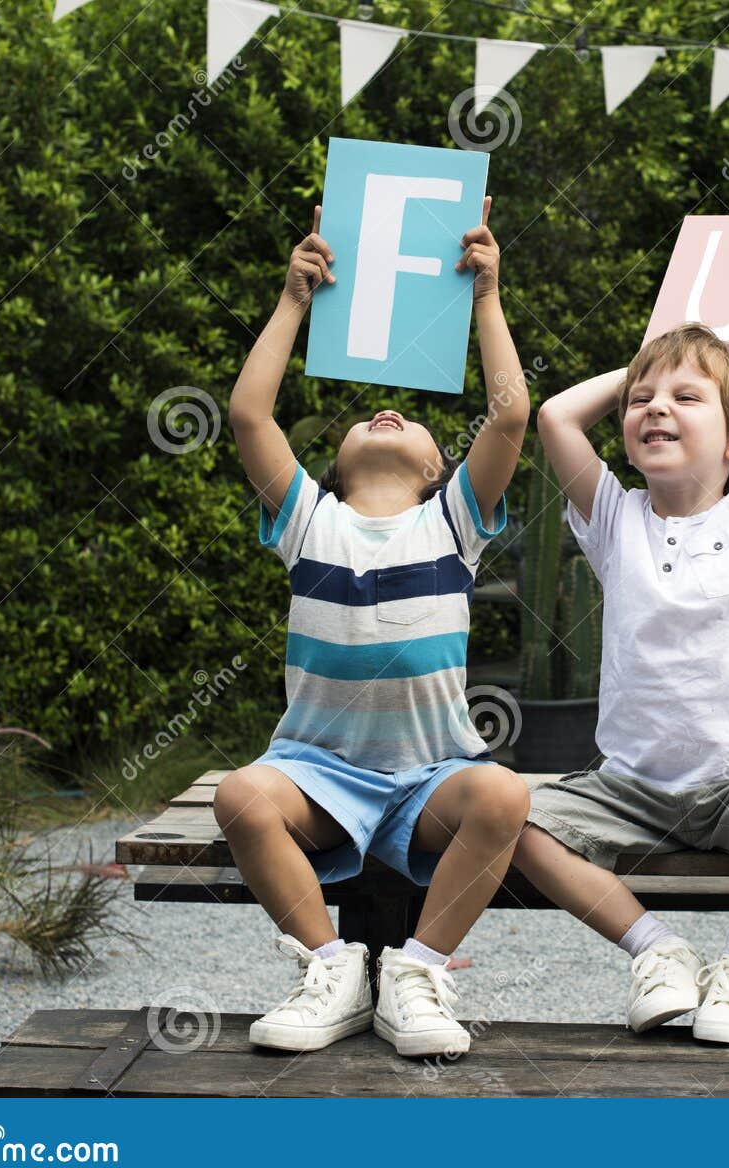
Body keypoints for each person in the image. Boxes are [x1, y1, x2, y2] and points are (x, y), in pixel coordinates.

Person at [217, 198, 530, 1058]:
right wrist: (292, 302)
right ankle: (333, 970)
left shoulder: (455, 524)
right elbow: (249, 416)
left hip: (432, 778)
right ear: (337, 460)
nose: (385, 414)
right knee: (239, 794)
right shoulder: (307, 520)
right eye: (365, 419)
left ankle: (417, 974)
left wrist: (486, 297)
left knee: (504, 794)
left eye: (409, 420)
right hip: (315, 775)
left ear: (439, 467)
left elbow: (508, 415)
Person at [512, 322, 729, 1044]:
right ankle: (658, 950)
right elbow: (555, 416)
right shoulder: (613, 517)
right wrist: (648, 362)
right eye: (641, 399)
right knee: (523, 828)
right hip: (636, 781)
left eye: (685, 397)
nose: (655, 408)